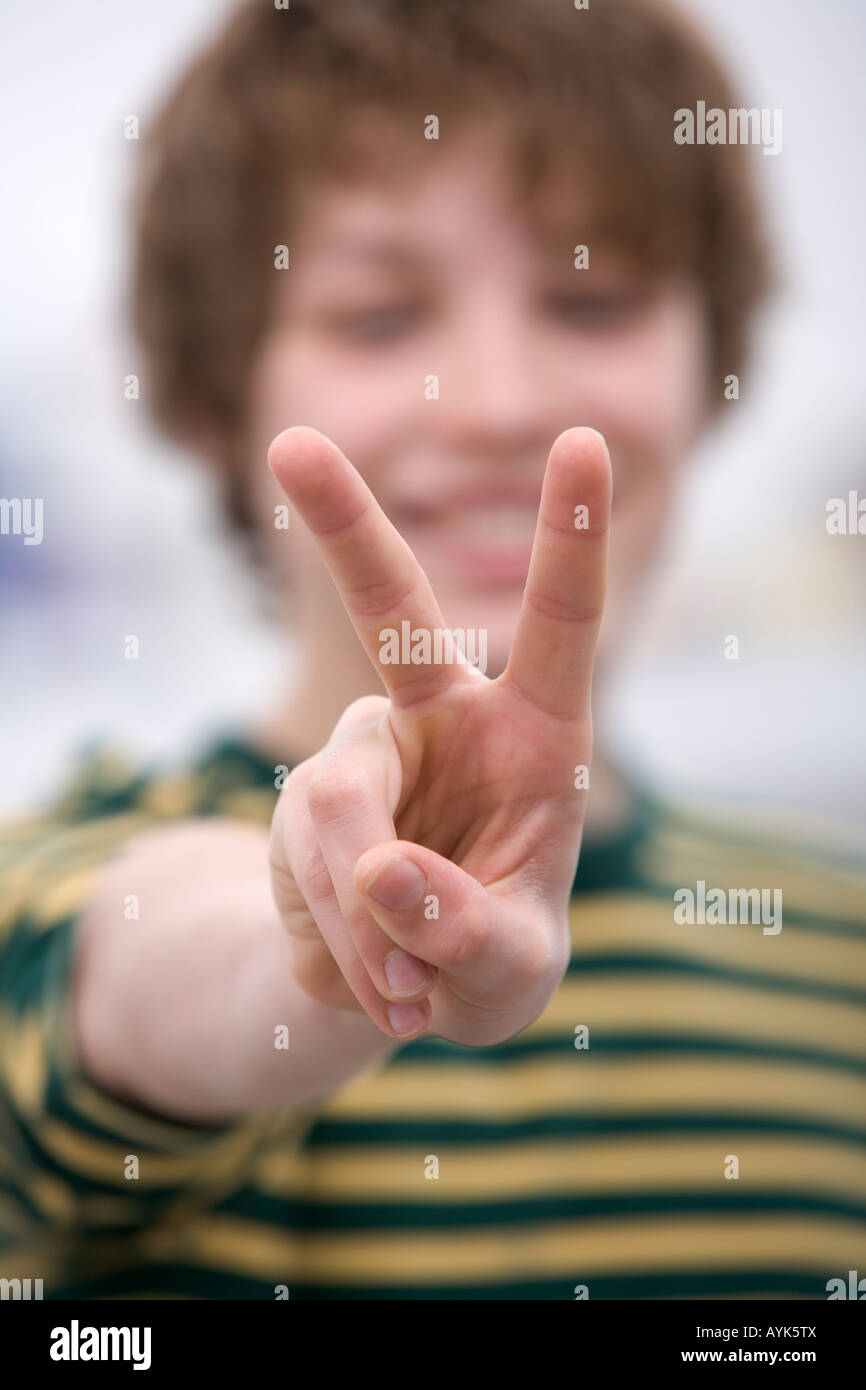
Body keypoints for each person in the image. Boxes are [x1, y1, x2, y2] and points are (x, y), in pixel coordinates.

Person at [1, 0, 864, 1301]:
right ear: (208, 403)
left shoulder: (839, 945)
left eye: (593, 298)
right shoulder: (70, 881)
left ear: (712, 365)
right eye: (376, 317)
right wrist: (334, 935)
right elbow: (140, 980)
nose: (502, 405)